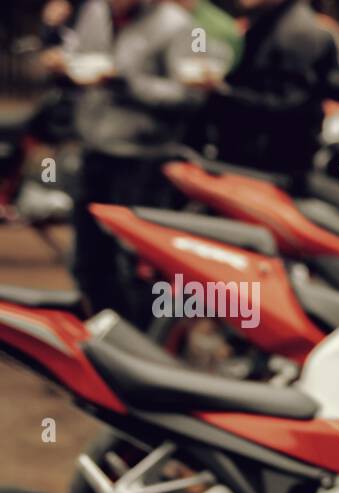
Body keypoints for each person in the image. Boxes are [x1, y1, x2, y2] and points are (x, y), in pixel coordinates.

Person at [69, 0, 208, 316]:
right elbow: (81, 58)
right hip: (96, 149)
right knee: (89, 257)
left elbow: (191, 94)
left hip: (144, 159)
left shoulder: (177, 24)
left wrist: (126, 82)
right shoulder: (94, 12)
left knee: (136, 262)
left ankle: (141, 335)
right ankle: (104, 328)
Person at [203, 0, 339, 182]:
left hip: (268, 169)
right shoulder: (271, 20)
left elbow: (287, 105)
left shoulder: (297, 31)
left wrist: (222, 92)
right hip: (251, 161)